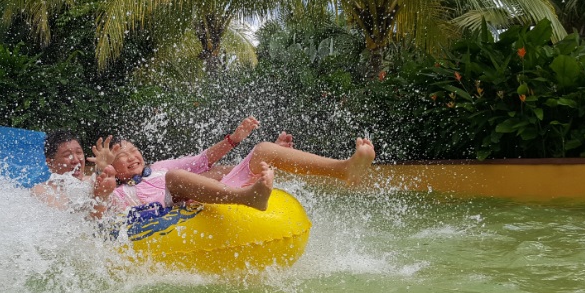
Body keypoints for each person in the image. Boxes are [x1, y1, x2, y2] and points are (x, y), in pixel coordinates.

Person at [91, 117, 375, 213]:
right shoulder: (113, 189)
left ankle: (343, 168)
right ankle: (248, 197)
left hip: (213, 193)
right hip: (172, 212)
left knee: (264, 150)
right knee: (176, 178)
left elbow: (202, 160)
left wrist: (234, 138)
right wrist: (105, 177)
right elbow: (94, 212)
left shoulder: (162, 167)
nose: (132, 156)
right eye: (122, 155)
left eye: (134, 150)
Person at [32, 130, 115, 215]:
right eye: (67, 155)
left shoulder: (93, 181)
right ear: (50, 163)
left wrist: (102, 169)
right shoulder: (41, 191)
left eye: (79, 153)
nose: (76, 160)